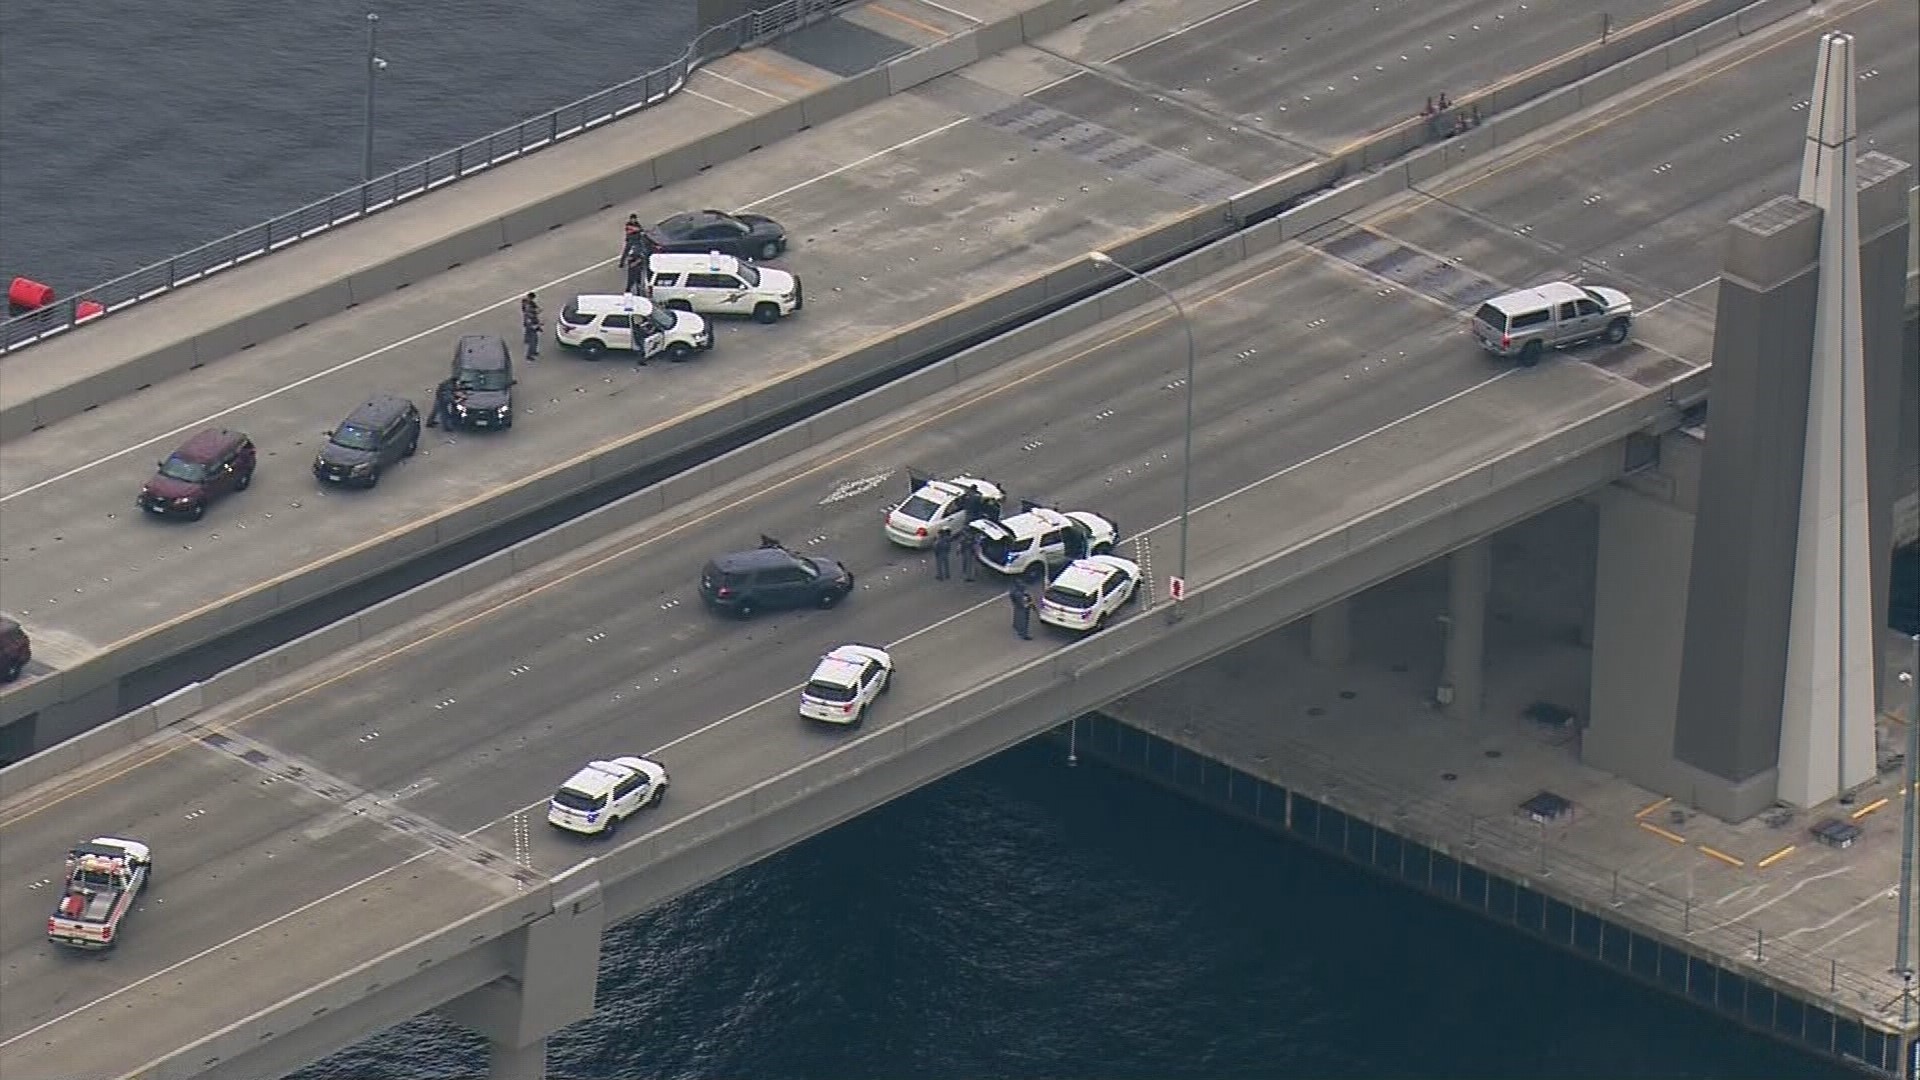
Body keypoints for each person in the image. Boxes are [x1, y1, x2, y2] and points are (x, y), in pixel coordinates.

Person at [520, 292, 542, 363]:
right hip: (531, 325)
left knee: (528, 333)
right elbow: (531, 321)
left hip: (529, 323)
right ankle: (529, 355)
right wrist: (538, 326)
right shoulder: (529, 310)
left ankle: (527, 341)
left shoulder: (526, 302)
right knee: (534, 341)